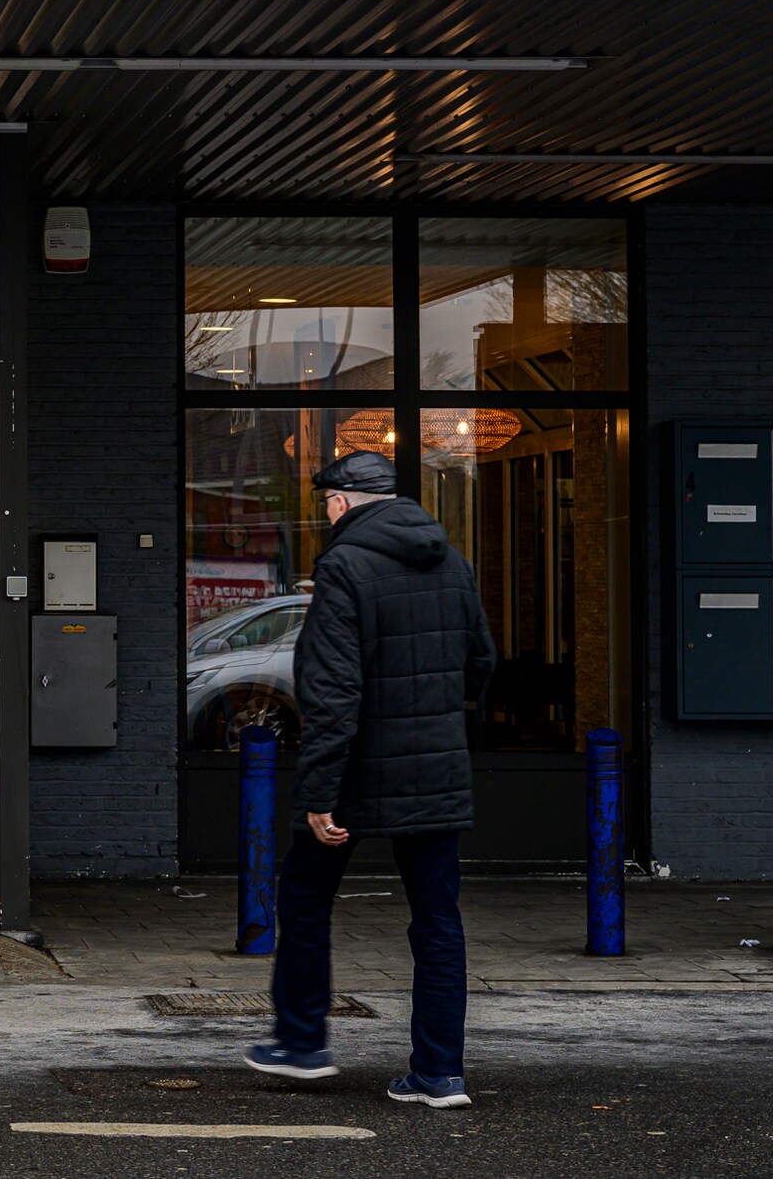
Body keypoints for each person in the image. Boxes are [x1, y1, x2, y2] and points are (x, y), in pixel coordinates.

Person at [245, 449, 496, 1109]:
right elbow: (482, 663)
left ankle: (302, 1043)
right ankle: (440, 1073)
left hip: (358, 770)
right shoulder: (453, 562)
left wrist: (318, 794)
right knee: (437, 919)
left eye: (326, 504)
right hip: (436, 769)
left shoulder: (344, 566)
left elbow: (333, 692)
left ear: (340, 502)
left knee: (304, 897)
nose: (327, 514)